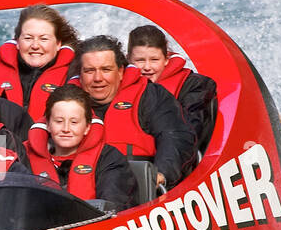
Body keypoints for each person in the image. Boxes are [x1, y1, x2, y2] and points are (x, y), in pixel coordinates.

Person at [75, 35, 196, 189]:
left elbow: (174, 136)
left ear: (120, 72)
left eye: (106, 69)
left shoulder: (150, 95)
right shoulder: (64, 103)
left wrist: (162, 174)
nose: (98, 78)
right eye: (89, 71)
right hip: (78, 193)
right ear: (80, 75)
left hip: (138, 188)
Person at [24, 86, 135, 210]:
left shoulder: (109, 159)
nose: (66, 129)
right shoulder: (25, 156)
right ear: (48, 125)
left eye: (74, 122)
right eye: (59, 121)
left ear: (87, 127)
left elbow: (114, 209)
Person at [127, 24, 217, 155]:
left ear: (166, 59)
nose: (147, 67)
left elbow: (191, 130)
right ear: (129, 59)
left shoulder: (193, 85)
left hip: (180, 160)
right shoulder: (114, 87)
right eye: (140, 60)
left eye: (154, 60)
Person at [0, 3, 79, 121]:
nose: (35, 45)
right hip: (1, 139)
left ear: (58, 44)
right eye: (28, 38)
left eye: (44, 39)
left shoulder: (75, 74)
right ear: (17, 42)